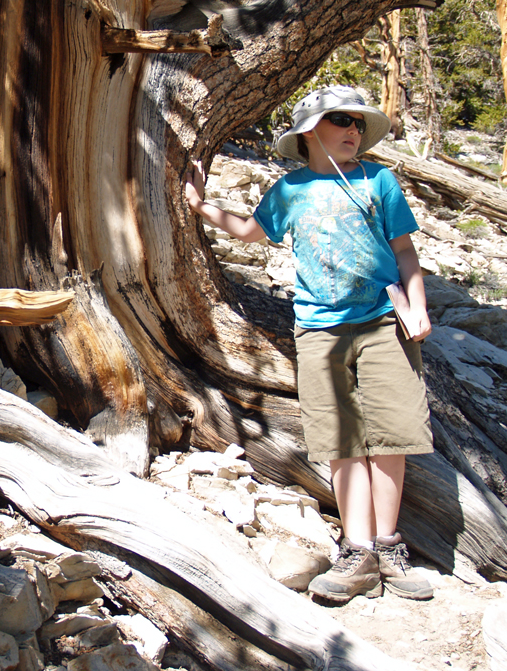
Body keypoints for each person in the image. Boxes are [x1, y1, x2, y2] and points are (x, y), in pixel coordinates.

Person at [184, 85, 435, 603]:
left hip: (387, 321)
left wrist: (419, 307)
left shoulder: (378, 180)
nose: (354, 131)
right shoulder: (289, 190)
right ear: (308, 132)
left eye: (359, 124)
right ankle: (358, 550)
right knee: (340, 439)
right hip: (319, 330)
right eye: (341, 120)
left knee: (391, 436)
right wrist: (201, 207)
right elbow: (252, 231)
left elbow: (405, 252)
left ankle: (388, 545)